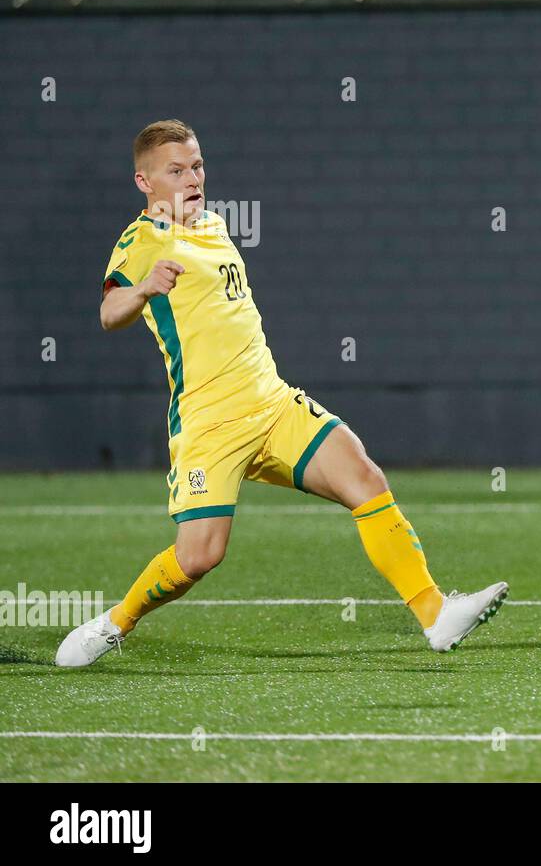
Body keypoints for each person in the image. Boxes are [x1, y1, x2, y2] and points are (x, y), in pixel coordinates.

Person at [56, 120, 508, 668]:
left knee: (364, 478)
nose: (192, 178)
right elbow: (108, 313)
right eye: (175, 171)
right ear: (144, 182)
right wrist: (146, 287)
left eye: (196, 165)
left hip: (272, 403)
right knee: (199, 557)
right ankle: (115, 622)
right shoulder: (142, 239)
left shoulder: (216, 225)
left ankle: (435, 614)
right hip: (210, 423)